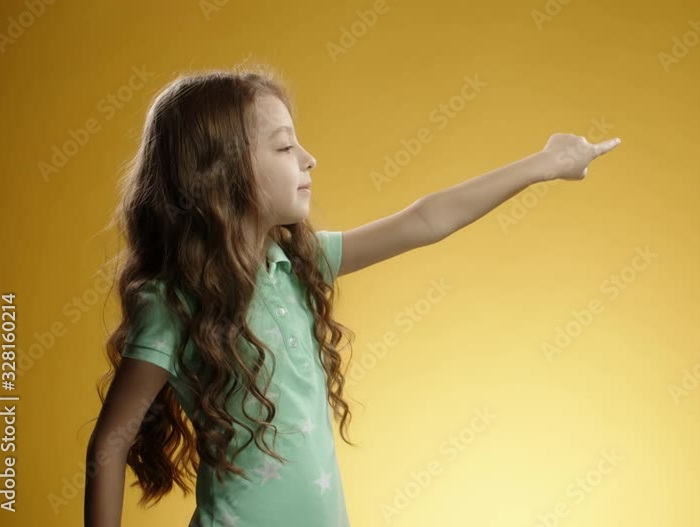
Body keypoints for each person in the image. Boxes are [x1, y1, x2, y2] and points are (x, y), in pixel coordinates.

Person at [83, 62, 622, 527]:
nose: (309, 157)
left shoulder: (297, 264)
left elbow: (426, 220)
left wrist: (544, 164)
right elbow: (109, 444)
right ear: (218, 173)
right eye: (285, 145)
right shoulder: (172, 301)